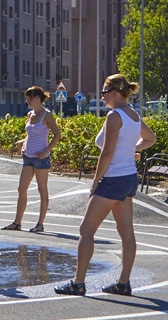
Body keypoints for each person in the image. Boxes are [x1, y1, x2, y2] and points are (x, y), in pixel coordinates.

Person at [55, 74, 156, 297]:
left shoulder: (114, 116)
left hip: (113, 178)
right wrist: (132, 150)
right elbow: (151, 139)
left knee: (86, 230)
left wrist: (95, 181)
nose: (102, 98)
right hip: (128, 177)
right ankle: (123, 283)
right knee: (127, 232)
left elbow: (107, 152)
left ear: (114, 93)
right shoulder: (133, 115)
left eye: (103, 93)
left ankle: (78, 283)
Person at [2, 86, 61, 233]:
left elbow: (57, 135)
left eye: (29, 98)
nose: (27, 101)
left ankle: (40, 224)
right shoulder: (30, 114)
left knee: (42, 189)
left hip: (41, 158)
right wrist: (23, 142)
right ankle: (17, 222)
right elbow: (31, 134)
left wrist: (46, 151)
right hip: (28, 156)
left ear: (37, 98)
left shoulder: (46, 115)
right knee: (22, 189)